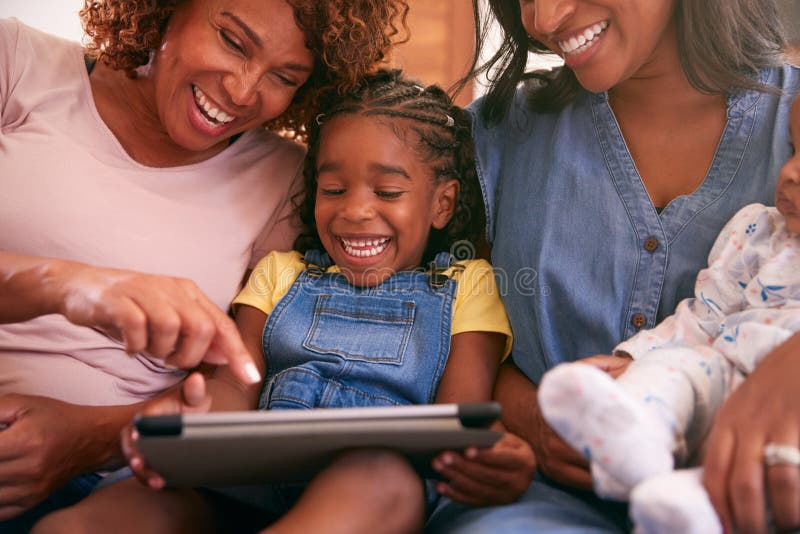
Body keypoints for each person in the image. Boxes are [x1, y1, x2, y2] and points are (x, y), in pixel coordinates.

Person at [31, 69, 535, 534]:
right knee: (113, 512)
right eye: (333, 188)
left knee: (378, 476)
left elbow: (461, 416)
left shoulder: (466, 285)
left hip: (374, 490)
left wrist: (488, 457)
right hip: (249, 478)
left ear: (442, 203)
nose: (355, 210)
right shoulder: (281, 273)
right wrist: (187, 435)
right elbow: (233, 384)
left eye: (386, 191)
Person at [0, 0, 409, 530]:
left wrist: (89, 439)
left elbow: (234, 382)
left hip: (118, 485)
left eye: (284, 76)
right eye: (233, 42)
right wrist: (69, 286)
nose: (241, 92)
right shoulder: (19, 64)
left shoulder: (286, 181)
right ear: (165, 10)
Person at [425, 1, 800, 533]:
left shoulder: (797, 117)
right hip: (536, 503)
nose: (544, 20)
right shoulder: (491, 138)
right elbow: (443, 328)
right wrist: (533, 420)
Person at [538, 95, 800, 533]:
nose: (790, 174)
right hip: (723, 368)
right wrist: (631, 362)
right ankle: (637, 436)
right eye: (793, 150)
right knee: (677, 367)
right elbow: (703, 318)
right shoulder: (758, 232)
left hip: (783, 432)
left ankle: (695, 508)